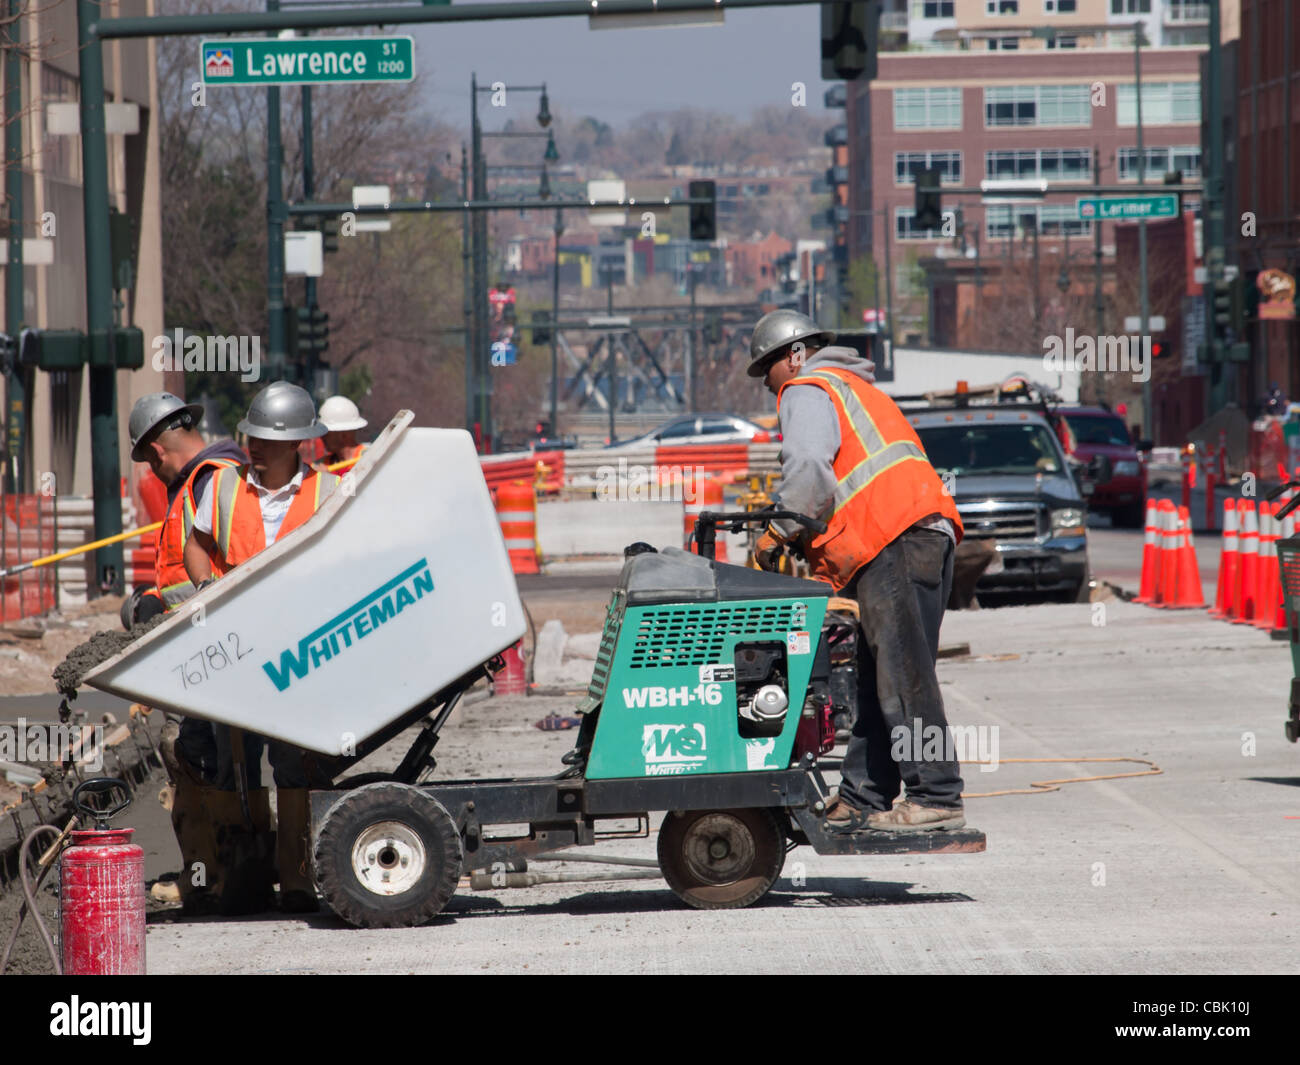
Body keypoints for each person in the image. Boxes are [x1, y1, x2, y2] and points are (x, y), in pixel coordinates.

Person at [746, 310, 967, 833]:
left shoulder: (809, 386)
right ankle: (865, 795)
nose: (768, 386)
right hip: (915, 536)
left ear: (793, 355)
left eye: (768, 371)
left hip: (894, 538)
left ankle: (936, 794)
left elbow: (807, 467)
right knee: (878, 676)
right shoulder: (853, 387)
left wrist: (778, 531)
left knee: (903, 675)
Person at [185, 381, 341, 911]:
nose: (255, 447)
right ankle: (243, 873)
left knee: (293, 762)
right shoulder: (224, 488)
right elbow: (198, 544)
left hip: (299, 652)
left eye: (268, 441)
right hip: (236, 646)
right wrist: (205, 587)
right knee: (234, 761)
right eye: (252, 437)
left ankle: (297, 879)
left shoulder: (327, 494)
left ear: (298, 442)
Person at [126, 393, 246, 914]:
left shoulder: (209, 481)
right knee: (213, 761)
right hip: (207, 646)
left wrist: (161, 607)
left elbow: (216, 573)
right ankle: (226, 872)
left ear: (156, 450)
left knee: (190, 754)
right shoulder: (216, 476)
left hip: (209, 652)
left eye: (149, 462)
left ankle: (212, 878)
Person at [315, 395, 368, 469]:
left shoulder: (368, 458)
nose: (322, 437)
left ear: (344, 434)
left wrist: (327, 477)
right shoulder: (324, 464)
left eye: (326, 433)